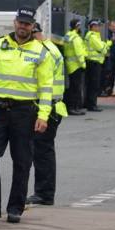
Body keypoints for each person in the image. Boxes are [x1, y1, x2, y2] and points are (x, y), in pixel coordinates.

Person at [0, 8, 54, 223]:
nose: (23, 27)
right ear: (14, 22)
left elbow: (46, 87)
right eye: (20, 22)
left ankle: (15, 208)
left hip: (24, 113)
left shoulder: (41, 52)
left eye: (27, 24)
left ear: (33, 26)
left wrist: (43, 115)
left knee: (22, 162)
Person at [28, 19, 66, 206]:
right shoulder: (51, 47)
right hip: (53, 105)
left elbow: (44, 82)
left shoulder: (45, 51)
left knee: (42, 151)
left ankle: (44, 193)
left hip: (48, 107)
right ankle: (44, 192)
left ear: (34, 33)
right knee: (43, 149)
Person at [63, 19, 87, 115]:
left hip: (69, 64)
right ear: (77, 26)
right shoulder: (76, 37)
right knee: (76, 88)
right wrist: (83, 64)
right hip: (76, 65)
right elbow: (79, 53)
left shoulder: (67, 35)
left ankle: (71, 107)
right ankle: (73, 108)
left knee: (72, 87)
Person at [84, 20, 109, 112]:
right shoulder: (92, 36)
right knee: (94, 85)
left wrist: (104, 46)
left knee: (91, 85)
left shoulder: (94, 36)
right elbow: (102, 48)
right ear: (93, 27)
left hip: (93, 62)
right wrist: (105, 45)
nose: (99, 27)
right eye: (97, 26)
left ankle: (89, 104)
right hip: (94, 63)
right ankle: (92, 105)